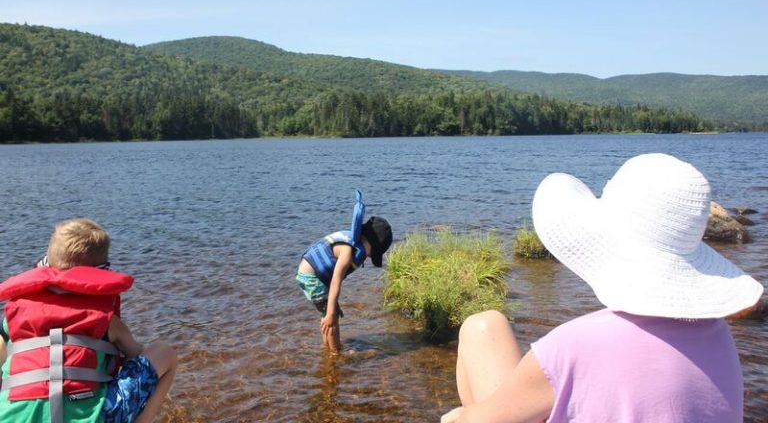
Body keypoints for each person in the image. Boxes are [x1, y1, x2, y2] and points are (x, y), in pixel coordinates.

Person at [442, 153, 764, 423]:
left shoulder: (575, 346)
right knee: (484, 328)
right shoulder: (717, 336)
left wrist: (457, 415)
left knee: (482, 327)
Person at [0, 218, 178, 423]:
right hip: (92, 418)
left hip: (11, 418)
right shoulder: (107, 321)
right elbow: (137, 358)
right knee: (165, 353)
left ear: (46, 264)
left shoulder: (13, 317)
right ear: (101, 272)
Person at [296, 190, 393, 353]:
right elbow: (336, 280)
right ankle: (335, 355)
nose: (369, 256)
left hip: (311, 274)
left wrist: (330, 311)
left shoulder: (352, 242)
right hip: (312, 277)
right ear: (369, 241)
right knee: (332, 317)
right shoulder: (348, 251)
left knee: (329, 313)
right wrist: (331, 313)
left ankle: (328, 349)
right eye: (373, 252)